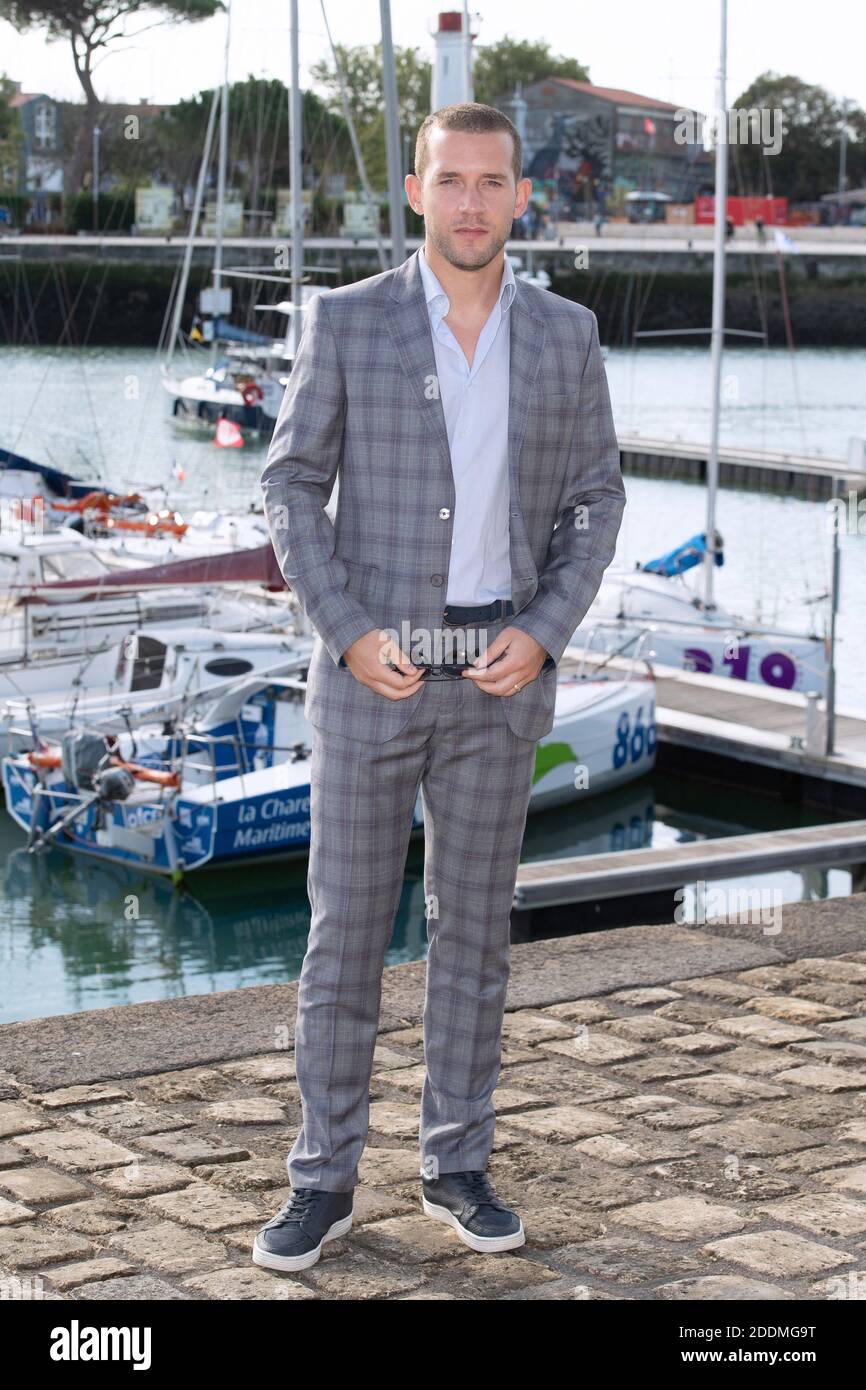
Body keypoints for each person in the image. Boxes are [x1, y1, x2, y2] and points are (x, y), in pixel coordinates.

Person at [254, 101, 626, 1274]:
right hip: (373, 676)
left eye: (490, 182)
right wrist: (349, 632)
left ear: (521, 196)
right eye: (448, 180)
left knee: (472, 938)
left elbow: (593, 502)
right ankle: (322, 1180)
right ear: (415, 191)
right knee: (345, 937)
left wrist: (547, 628)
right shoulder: (347, 321)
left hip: (498, 676)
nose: (470, 202)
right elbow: (288, 487)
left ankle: (453, 1162)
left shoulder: (564, 334)